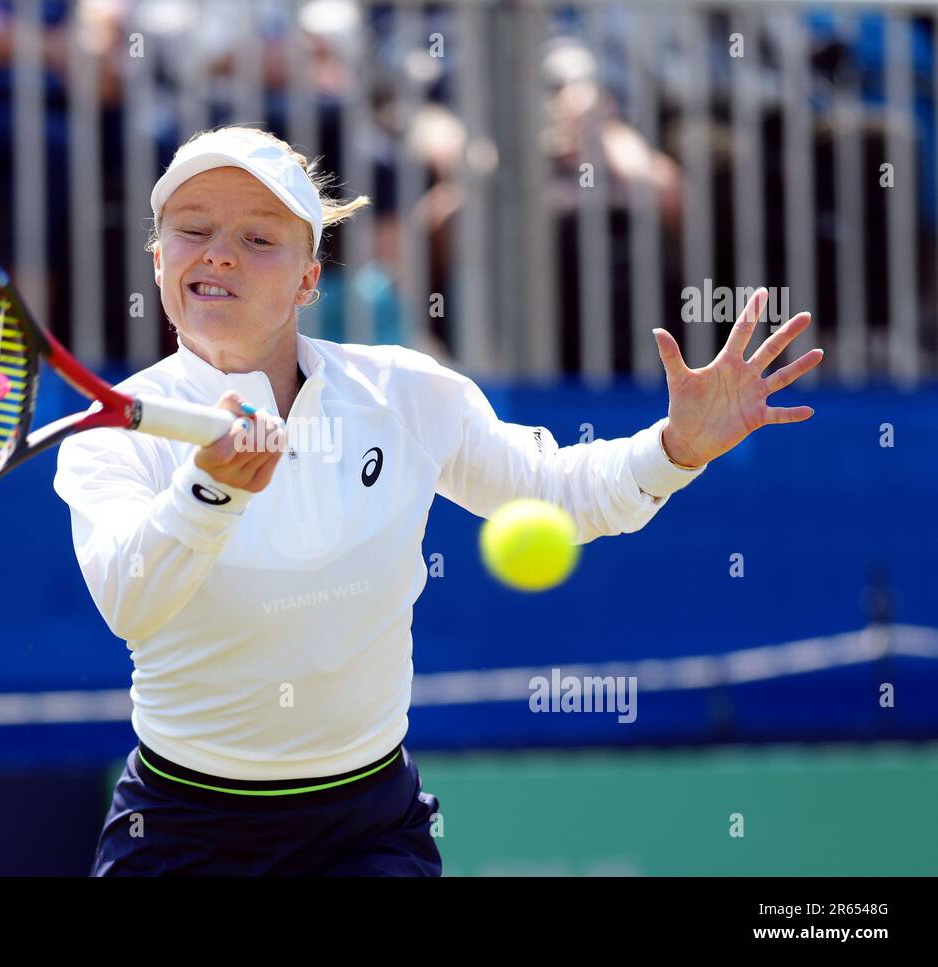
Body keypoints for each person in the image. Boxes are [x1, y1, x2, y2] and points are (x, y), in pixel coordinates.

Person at [52, 125, 824, 876]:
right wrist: (211, 489)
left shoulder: (406, 392)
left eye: (258, 238)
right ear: (159, 258)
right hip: (179, 827)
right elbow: (131, 600)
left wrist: (676, 446)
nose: (219, 252)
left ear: (309, 280)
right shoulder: (110, 435)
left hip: (365, 829)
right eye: (193, 229)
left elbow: (556, 491)